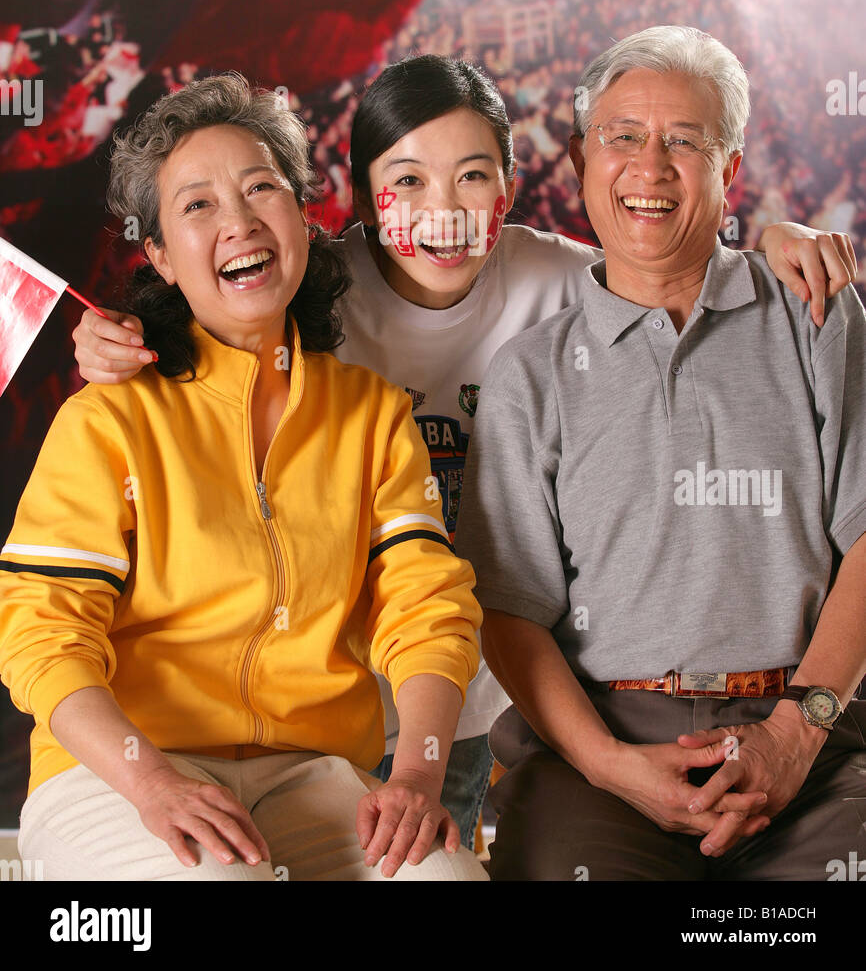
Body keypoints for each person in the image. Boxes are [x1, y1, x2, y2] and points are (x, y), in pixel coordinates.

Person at [67, 55, 858, 851]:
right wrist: (111, 339)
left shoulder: (558, 275)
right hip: (328, 679)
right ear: (358, 199)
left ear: (509, 188)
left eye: (472, 176)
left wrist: (771, 240)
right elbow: (213, 313)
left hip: (473, 677)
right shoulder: (311, 285)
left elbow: (672, 256)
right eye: (405, 181)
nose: (441, 212)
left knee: (445, 852)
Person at [0, 74, 487, 882]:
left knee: (446, 877)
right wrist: (153, 783)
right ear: (157, 254)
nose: (238, 221)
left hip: (312, 774)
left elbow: (427, 607)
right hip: (117, 776)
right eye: (197, 205)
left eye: (262, 187)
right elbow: (42, 636)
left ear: (302, 215)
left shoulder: (370, 412)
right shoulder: (107, 419)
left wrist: (414, 779)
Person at [455, 25, 866, 881]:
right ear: (577, 157)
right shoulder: (532, 373)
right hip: (602, 754)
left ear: (731, 171)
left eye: (686, 141)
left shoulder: (817, 316)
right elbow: (511, 611)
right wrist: (610, 766)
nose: (650, 168)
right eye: (623, 137)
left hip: (814, 735)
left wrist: (795, 733)